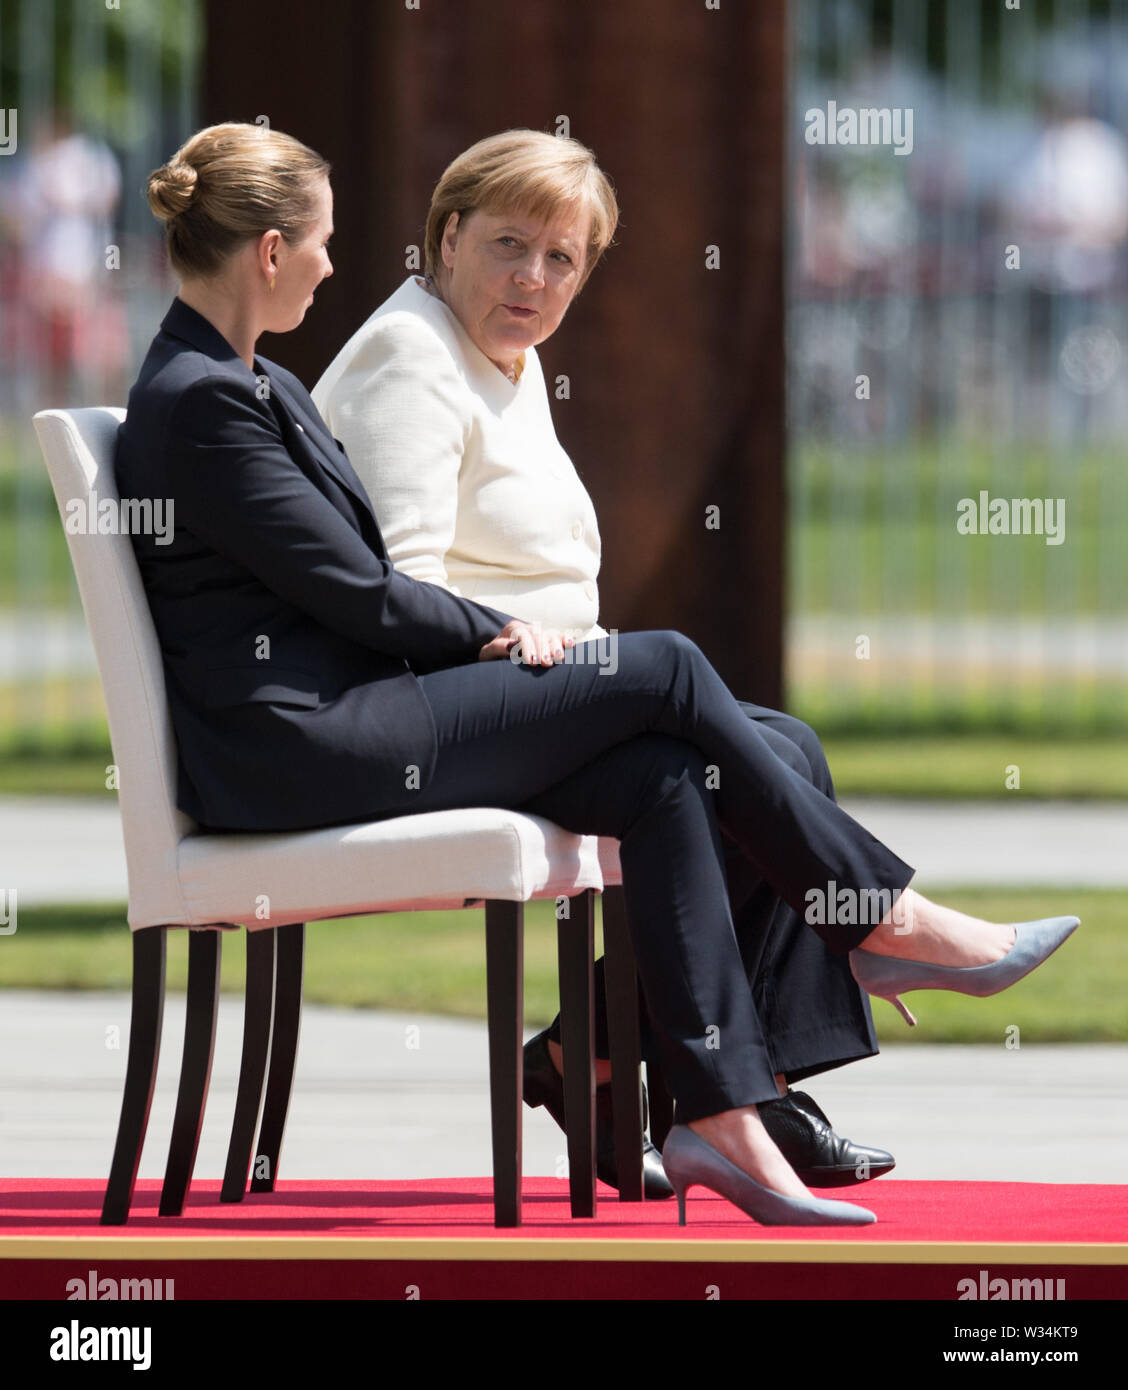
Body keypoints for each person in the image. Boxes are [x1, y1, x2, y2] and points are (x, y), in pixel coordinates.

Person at [117, 122, 1078, 1229]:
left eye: (562, 257)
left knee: (669, 773)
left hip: (351, 717)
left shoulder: (250, 381)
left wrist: (515, 644)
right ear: (273, 251)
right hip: (305, 745)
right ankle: (878, 919)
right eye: (325, 244)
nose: (339, 265)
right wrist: (508, 636)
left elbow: (346, 586)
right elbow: (365, 594)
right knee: (665, 667)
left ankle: (716, 1105)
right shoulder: (205, 399)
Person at [307, 130, 872, 1196]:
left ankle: (660, 1067)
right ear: (446, 238)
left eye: (562, 258)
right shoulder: (414, 354)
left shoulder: (505, 358)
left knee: (780, 748)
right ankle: (847, 947)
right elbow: (395, 585)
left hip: (517, 690)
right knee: (716, 747)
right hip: (428, 709)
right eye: (510, 245)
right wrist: (517, 638)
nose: (533, 277)